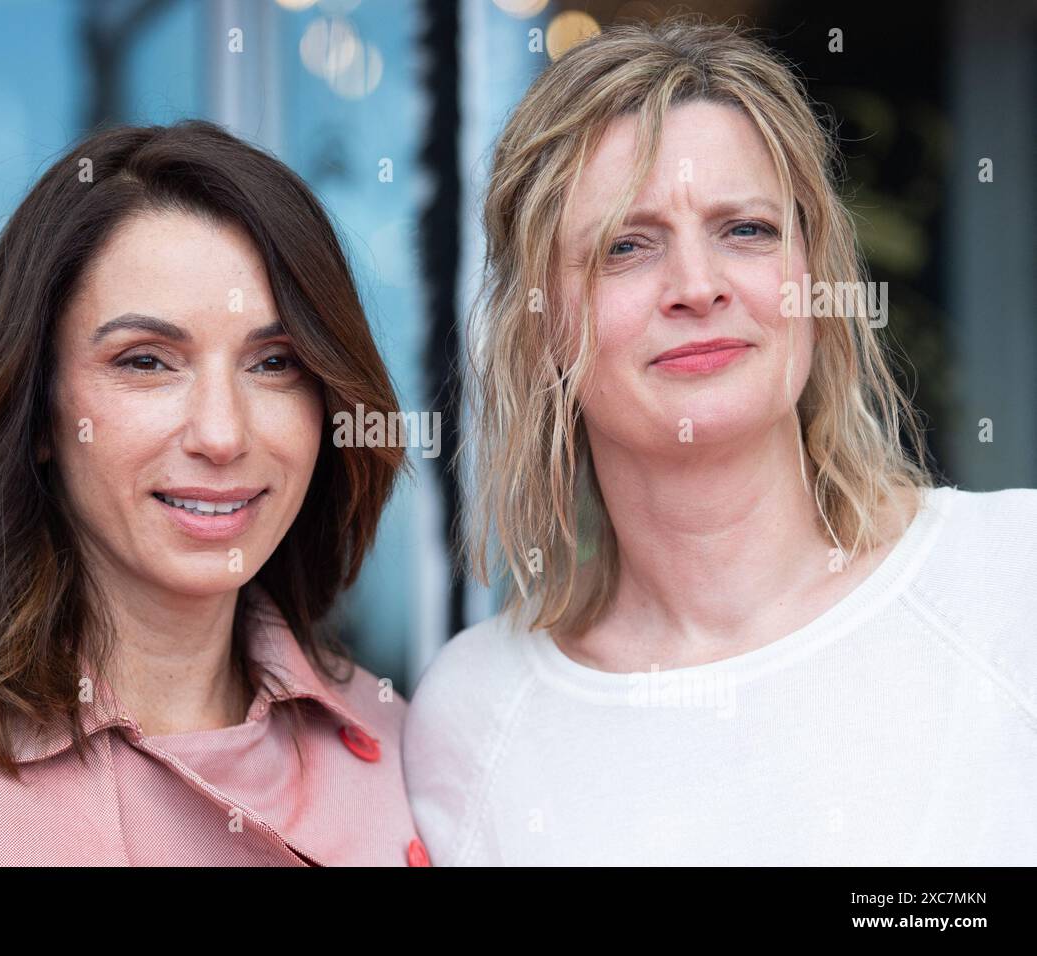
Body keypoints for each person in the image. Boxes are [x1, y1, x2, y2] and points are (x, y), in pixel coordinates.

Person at [403, 16, 1037, 866]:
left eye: (745, 230)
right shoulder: (474, 713)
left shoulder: (1012, 579)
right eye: (626, 246)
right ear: (540, 325)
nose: (697, 287)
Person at [0, 120, 429, 867]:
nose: (222, 434)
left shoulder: (397, 745)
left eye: (274, 363)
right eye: (146, 362)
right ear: (38, 409)